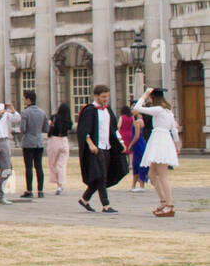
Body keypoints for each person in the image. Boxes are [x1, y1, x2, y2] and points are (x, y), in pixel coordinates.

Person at [76, 84, 126, 214]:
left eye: (107, 97)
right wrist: (91, 144)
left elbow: (113, 128)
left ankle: (84, 199)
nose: (105, 99)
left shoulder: (108, 110)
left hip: (107, 146)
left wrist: (121, 142)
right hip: (95, 149)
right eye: (103, 97)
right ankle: (106, 205)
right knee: (101, 176)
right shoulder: (90, 110)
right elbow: (84, 131)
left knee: (100, 176)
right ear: (96, 96)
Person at [132, 88, 181, 217]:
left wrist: (145, 95)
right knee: (152, 174)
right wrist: (176, 144)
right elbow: (174, 131)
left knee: (162, 175)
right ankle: (163, 201)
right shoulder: (167, 111)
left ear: (153, 98)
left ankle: (169, 205)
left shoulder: (159, 109)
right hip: (161, 139)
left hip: (160, 140)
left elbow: (137, 107)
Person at [18, 90, 49, 199]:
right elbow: (46, 129)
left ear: (28, 99)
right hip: (39, 142)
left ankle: (29, 190)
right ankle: (40, 190)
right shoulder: (42, 112)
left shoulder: (25, 113)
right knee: (39, 166)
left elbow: (22, 129)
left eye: (25, 99)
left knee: (29, 167)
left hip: (28, 142)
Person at [46, 103, 72, 195]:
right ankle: (61, 185)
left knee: (52, 163)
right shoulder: (68, 120)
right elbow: (69, 129)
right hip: (64, 140)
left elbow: (49, 127)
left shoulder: (54, 117)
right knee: (61, 164)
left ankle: (58, 184)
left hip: (54, 139)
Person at [128, 104, 151, 193]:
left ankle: (141, 184)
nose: (132, 111)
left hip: (138, 144)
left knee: (139, 164)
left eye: (133, 109)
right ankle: (133, 185)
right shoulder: (138, 121)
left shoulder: (138, 122)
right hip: (139, 143)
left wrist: (130, 145)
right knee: (136, 164)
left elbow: (137, 136)